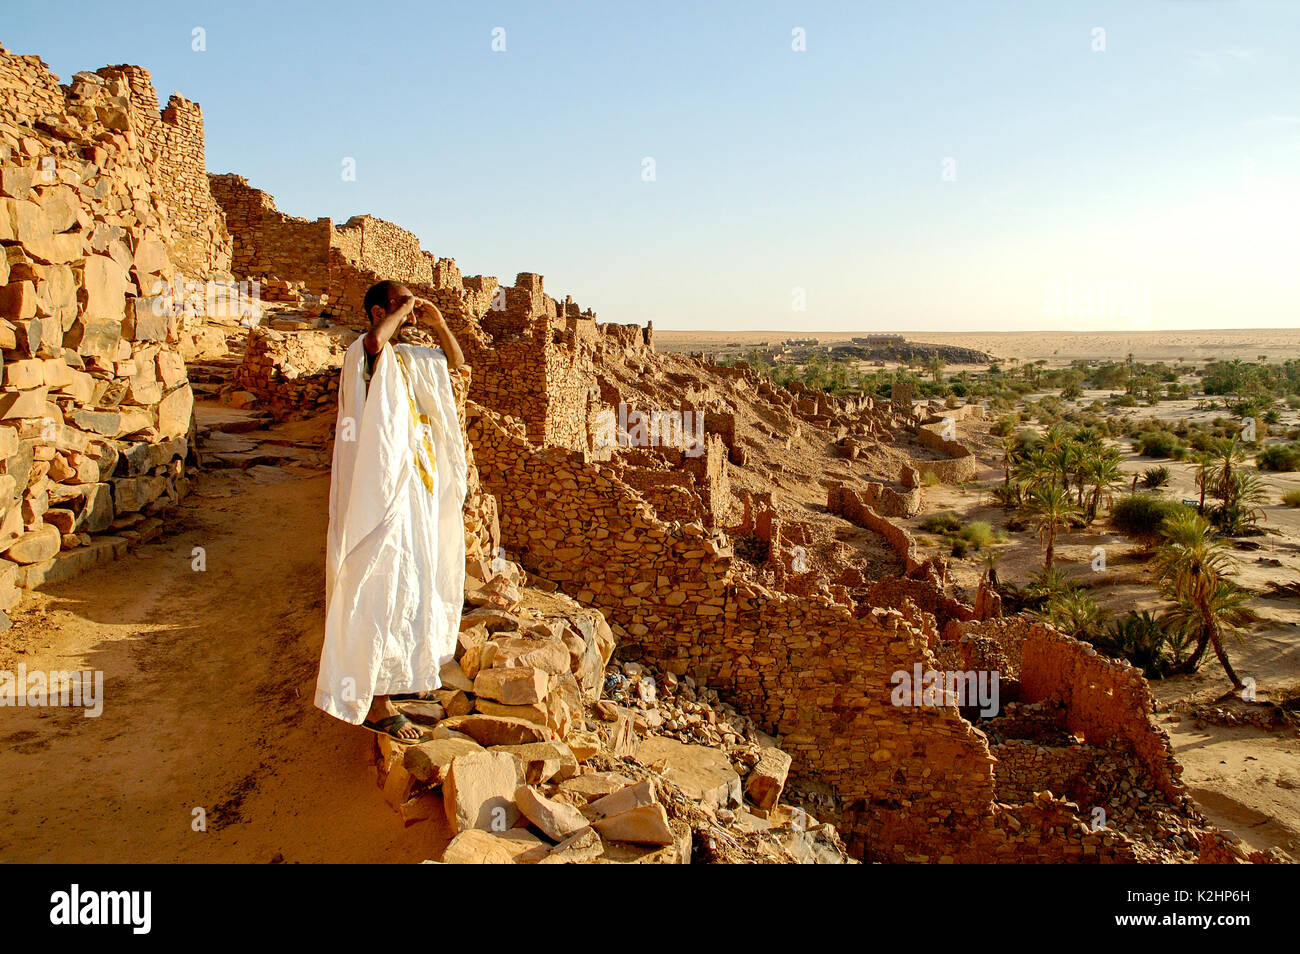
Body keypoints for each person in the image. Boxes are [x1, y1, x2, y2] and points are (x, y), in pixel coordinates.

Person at [315, 280, 468, 742]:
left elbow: (457, 366)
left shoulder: (414, 359)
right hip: (378, 497)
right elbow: (374, 344)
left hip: (415, 496)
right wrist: (398, 315)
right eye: (399, 305)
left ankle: (399, 682)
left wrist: (439, 324)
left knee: (412, 589)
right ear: (379, 310)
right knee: (374, 588)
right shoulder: (362, 356)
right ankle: (373, 703)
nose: (410, 312)